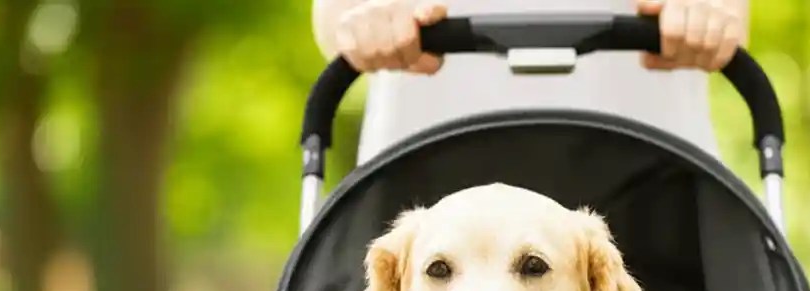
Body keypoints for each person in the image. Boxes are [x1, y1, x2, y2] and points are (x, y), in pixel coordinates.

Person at [311, 0, 750, 164]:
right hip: (423, 190)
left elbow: (729, 18)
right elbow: (337, 17)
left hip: (653, 195)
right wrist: (366, 19)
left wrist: (705, 16)